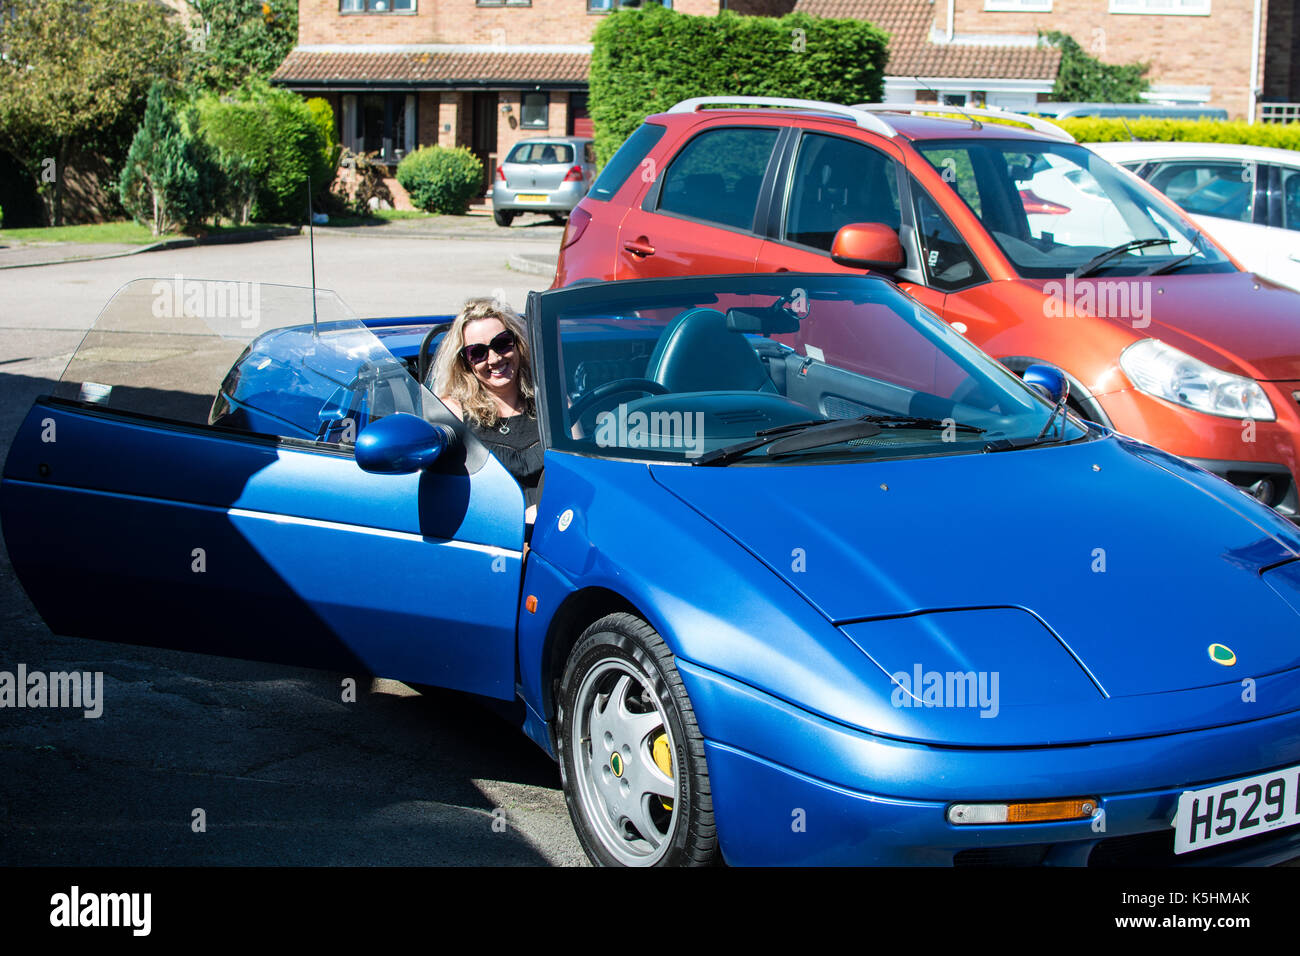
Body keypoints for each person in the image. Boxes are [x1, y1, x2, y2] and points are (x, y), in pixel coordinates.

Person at [430, 297, 542, 527]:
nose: (494, 358)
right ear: (465, 363)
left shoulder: (549, 403)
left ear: (518, 343)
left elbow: (579, 473)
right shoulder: (451, 413)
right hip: (492, 537)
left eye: (502, 343)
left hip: (556, 532)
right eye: (478, 353)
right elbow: (444, 497)